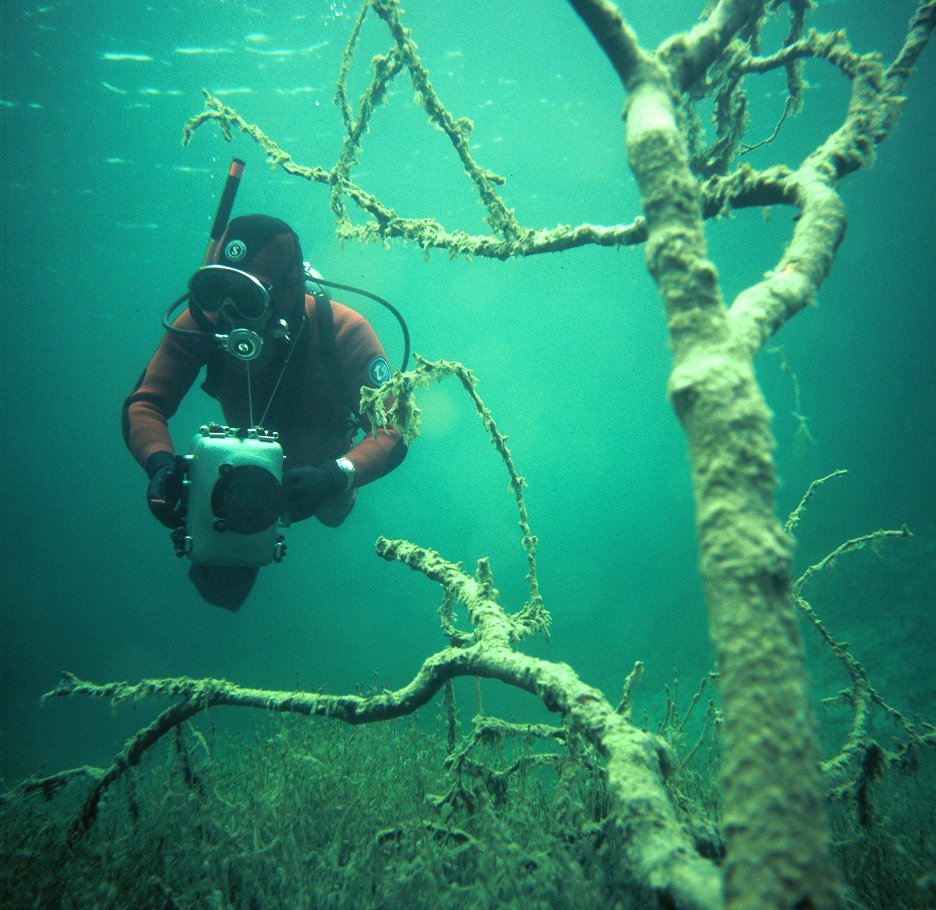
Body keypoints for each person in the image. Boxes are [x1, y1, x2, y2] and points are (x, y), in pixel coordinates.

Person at [122, 214, 407, 607]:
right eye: (220, 289)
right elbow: (146, 404)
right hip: (241, 463)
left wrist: (335, 476)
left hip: (323, 474)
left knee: (333, 513)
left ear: (291, 289)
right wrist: (160, 467)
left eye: (249, 296)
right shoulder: (206, 321)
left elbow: (392, 432)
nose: (231, 312)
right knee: (218, 580)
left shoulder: (343, 332)